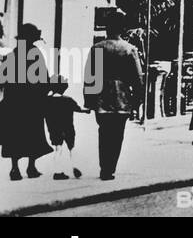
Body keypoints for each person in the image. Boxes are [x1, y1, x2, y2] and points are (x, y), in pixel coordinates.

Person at [83, 10, 145, 181]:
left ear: (107, 28)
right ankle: (110, 168)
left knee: (103, 133)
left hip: (101, 97)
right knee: (118, 134)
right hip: (122, 97)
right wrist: (137, 101)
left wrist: (88, 101)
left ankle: (104, 168)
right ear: (122, 28)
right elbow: (138, 78)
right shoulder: (129, 49)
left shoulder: (97, 48)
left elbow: (89, 77)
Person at [1, 24, 53, 179]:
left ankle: (15, 168)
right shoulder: (36, 54)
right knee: (33, 134)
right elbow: (43, 78)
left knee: (14, 136)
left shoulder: (12, 55)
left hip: (13, 102)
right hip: (32, 102)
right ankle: (31, 167)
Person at [45, 75, 85, 180]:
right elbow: (79, 109)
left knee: (58, 148)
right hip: (68, 128)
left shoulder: (47, 101)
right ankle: (75, 165)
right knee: (72, 147)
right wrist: (87, 110)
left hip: (54, 129)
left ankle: (57, 172)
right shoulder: (68, 100)